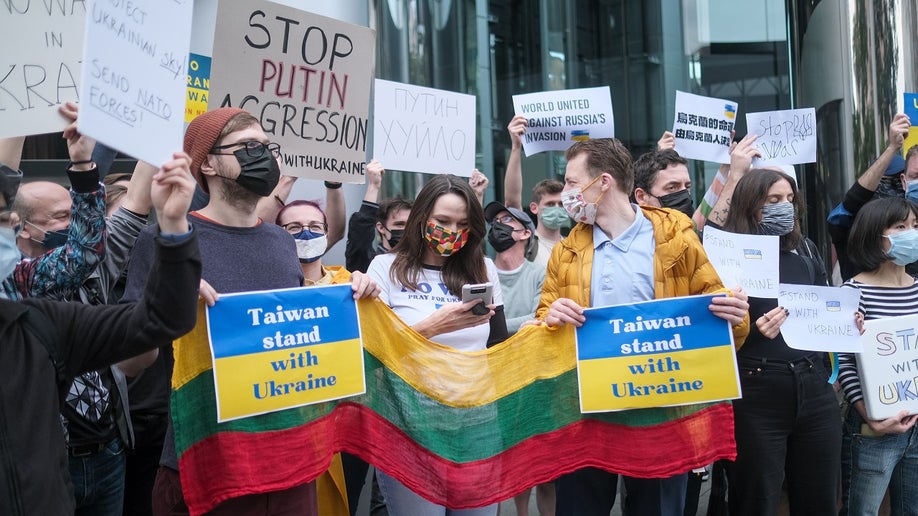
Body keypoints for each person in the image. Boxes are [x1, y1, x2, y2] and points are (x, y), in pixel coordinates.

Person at [536, 138, 750, 516]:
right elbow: (540, 329)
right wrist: (550, 320)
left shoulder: (676, 237)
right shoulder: (565, 252)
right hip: (585, 415)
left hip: (661, 414)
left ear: (603, 182)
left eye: (571, 183)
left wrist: (735, 314)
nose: (566, 192)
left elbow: (719, 319)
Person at [120, 107, 311, 515]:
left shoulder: (281, 241)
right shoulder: (164, 241)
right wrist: (168, 301)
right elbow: (130, 362)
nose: (263, 156)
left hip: (288, 461)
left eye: (266, 146)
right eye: (247, 147)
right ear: (206, 162)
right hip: (206, 461)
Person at [0, 150, 202, 516]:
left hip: (108, 453)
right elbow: (81, 247)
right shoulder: (17, 289)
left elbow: (162, 318)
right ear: (21, 228)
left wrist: (173, 222)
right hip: (46, 466)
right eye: (63, 217)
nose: (76, 223)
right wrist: (80, 167)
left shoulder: (90, 281)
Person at [366, 174, 509, 515]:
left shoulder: (483, 269)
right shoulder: (384, 269)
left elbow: (500, 347)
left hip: (476, 426)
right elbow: (375, 354)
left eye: (462, 224)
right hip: (410, 429)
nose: (452, 231)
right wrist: (432, 327)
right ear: (421, 219)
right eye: (443, 221)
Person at [713, 168, 839, 515]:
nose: (786, 206)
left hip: (813, 386)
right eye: (773, 200)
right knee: (757, 499)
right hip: (755, 391)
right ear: (751, 205)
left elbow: (820, 311)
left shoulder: (806, 251)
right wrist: (751, 331)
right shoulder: (724, 259)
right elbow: (708, 332)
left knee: (820, 498)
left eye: (789, 199)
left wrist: (845, 321)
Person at [837, 196, 918, 515]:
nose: (911, 233)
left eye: (915, 225)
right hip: (873, 427)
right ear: (874, 235)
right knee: (863, 510)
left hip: (915, 421)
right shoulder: (852, 293)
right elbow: (844, 362)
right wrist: (870, 417)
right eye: (900, 227)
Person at [827, 114, 912, 281]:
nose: (909, 232)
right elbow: (853, 201)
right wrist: (892, 147)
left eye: (900, 180)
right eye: (886, 181)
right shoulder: (850, 222)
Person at [504, 116, 567, 267]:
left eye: (561, 204)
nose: (557, 208)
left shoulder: (575, 245)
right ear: (534, 207)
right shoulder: (526, 242)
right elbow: (512, 202)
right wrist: (516, 147)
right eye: (550, 204)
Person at [345, 159, 412, 274]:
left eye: (411, 224)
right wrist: (374, 186)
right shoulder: (369, 263)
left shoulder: (423, 265)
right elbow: (360, 239)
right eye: (400, 224)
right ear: (381, 227)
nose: (406, 230)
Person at [632, 149, 694, 219]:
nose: (685, 195)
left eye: (687, 186)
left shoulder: (692, 228)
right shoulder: (629, 229)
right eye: (672, 188)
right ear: (641, 197)